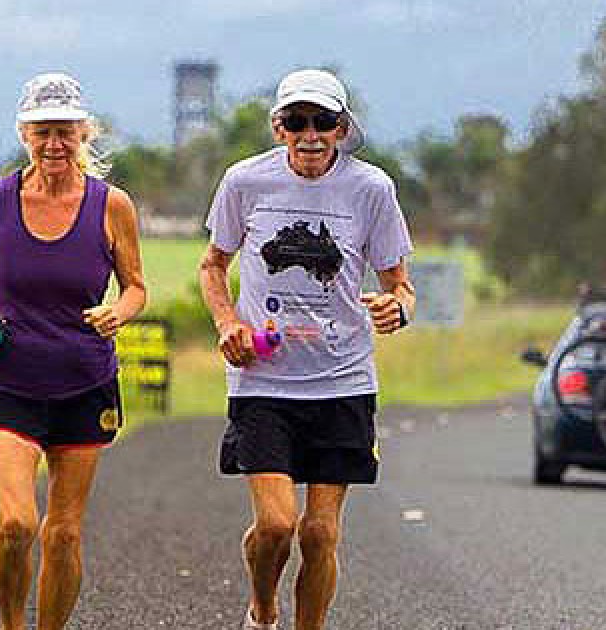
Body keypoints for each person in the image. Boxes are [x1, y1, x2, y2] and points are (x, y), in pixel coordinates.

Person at [198, 69, 416, 630]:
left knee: (319, 534)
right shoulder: (245, 181)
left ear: (342, 128)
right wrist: (227, 322)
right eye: (297, 122)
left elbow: (399, 284)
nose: (311, 135)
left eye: (323, 122)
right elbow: (212, 265)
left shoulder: (371, 189)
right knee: (276, 525)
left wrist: (397, 308)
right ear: (279, 128)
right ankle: (263, 610)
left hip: (342, 381)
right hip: (263, 381)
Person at [0, 72, 146, 630]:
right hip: (10, 381)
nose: (54, 143)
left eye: (64, 131)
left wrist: (119, 312)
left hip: (85, 384)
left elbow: (136, 287)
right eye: (42, 131)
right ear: (24, 134)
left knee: (64, 533)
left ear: (84, 133)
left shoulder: (112, 206)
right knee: (16, 524)